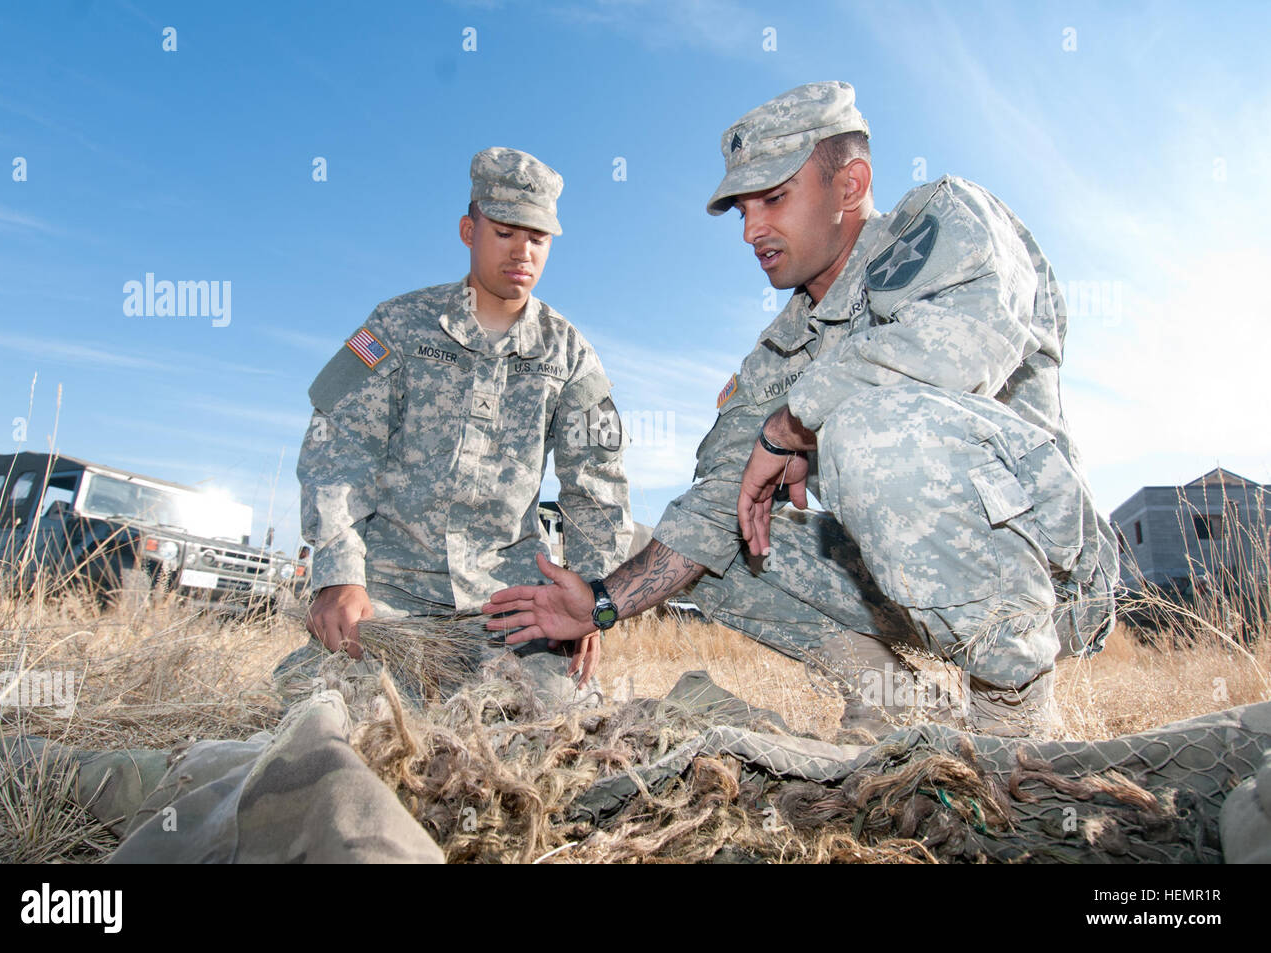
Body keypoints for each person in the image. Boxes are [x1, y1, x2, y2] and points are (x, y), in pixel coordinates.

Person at [484, 83, 1118, 739]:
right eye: (742, 210)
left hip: (1049, 568)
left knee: (867, 429)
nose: (753, 229)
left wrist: (796, 421)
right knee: (692, 539)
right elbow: (711, 510)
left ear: (851, 184)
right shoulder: (780, 354)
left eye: (774, 198)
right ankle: (893, 696)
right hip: (901, 579)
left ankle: (1015, 716)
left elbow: (961, 347)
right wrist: (603, 604)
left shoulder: (941, 222)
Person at [281, 146, 633, 706]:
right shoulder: (399, 325)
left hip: (512, 604)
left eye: (538, 238)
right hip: (391, 590)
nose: (523, 251)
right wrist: (339, 573)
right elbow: (340, 450)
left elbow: (598, 487)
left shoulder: (568, 354)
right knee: (320, 709)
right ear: (469, 230)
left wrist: (594, 596)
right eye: (505, 231)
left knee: (558, 728)